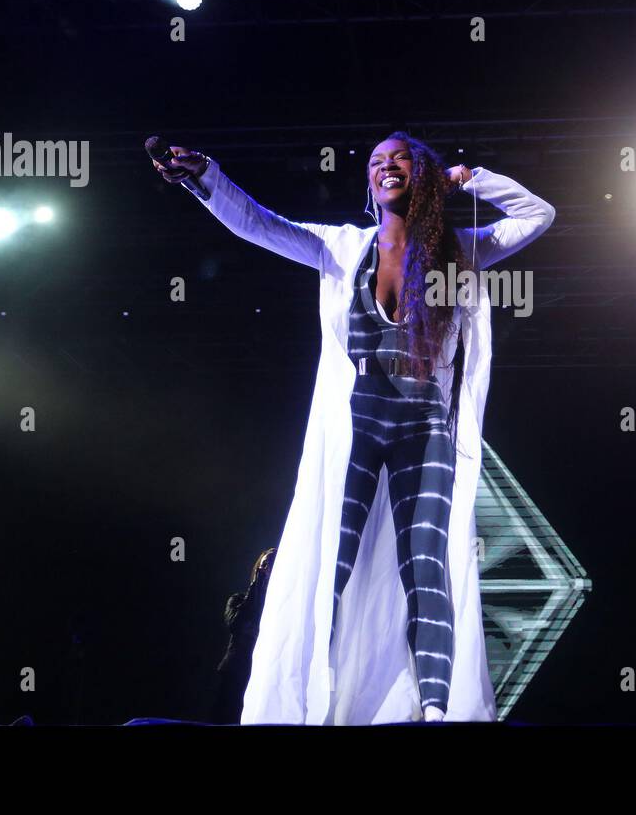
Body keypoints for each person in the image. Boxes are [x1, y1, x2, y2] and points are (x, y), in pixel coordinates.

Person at [154, 133, 555, 723]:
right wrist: (203, 176)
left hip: (424, 423)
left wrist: (469, 180)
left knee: (428, 563)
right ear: (368, 184)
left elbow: (538, 214)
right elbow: (258, 225)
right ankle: (320, 701)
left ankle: (437, 710)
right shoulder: (341, 247)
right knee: (330, 561)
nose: (385, 167)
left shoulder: (462, 251)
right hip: (359, 420)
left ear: (424, 176)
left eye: (400, 159)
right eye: (374, 162)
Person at [209, 548, 275, 724]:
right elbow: (237, 623)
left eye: (273, 565)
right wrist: (258, 585)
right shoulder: (237, 600)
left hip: (265, 677)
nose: (268, 569)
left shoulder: (278, 611)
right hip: (235, 674)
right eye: (265, 564)